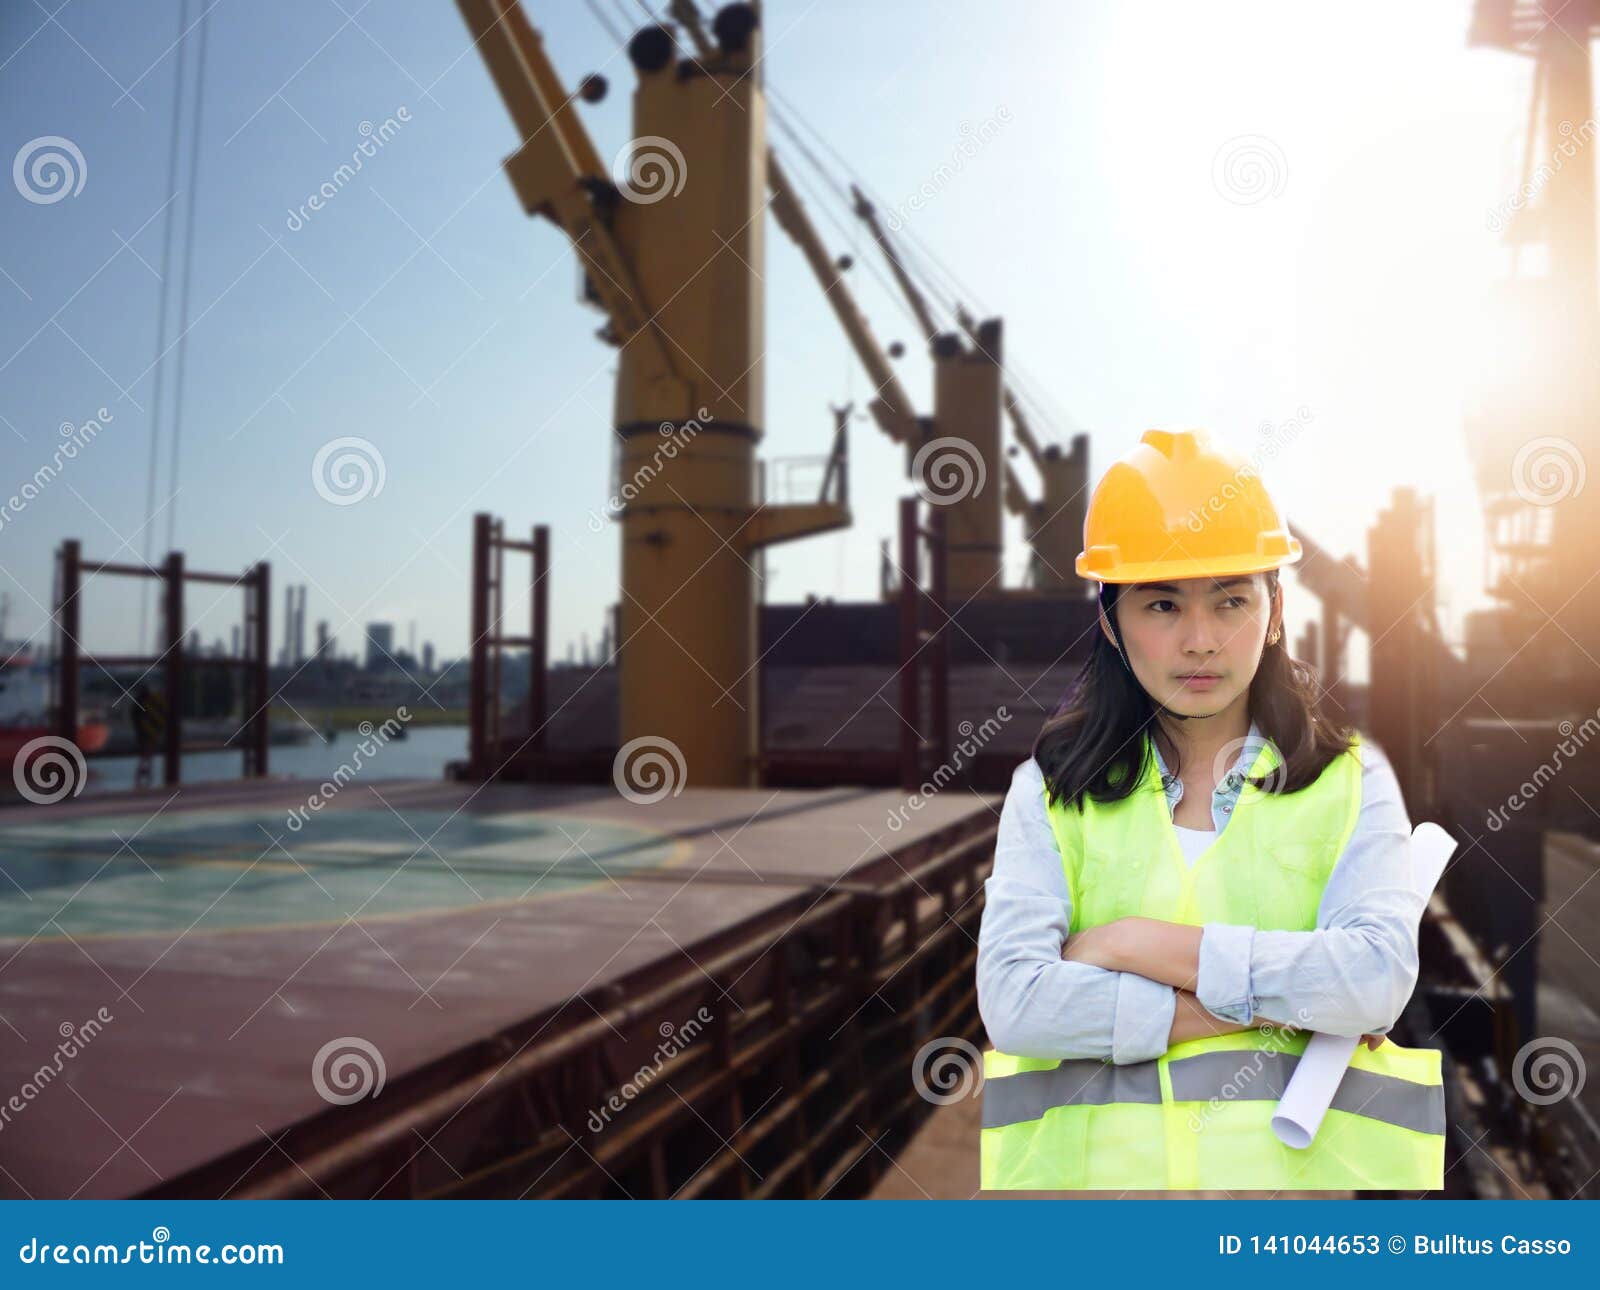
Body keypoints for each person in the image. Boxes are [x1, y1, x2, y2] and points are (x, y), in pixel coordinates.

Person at [976, 427, 1445, 1192]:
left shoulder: (1350, 782)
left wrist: (1128, 941)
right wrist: (1285, 1006)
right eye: (1162, 604)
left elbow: (1373, 983)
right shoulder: (1052, 791)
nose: (1200, 641)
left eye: (1231, 600)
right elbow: (1018, 1006)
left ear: (1275, 609)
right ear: (1109, 621)